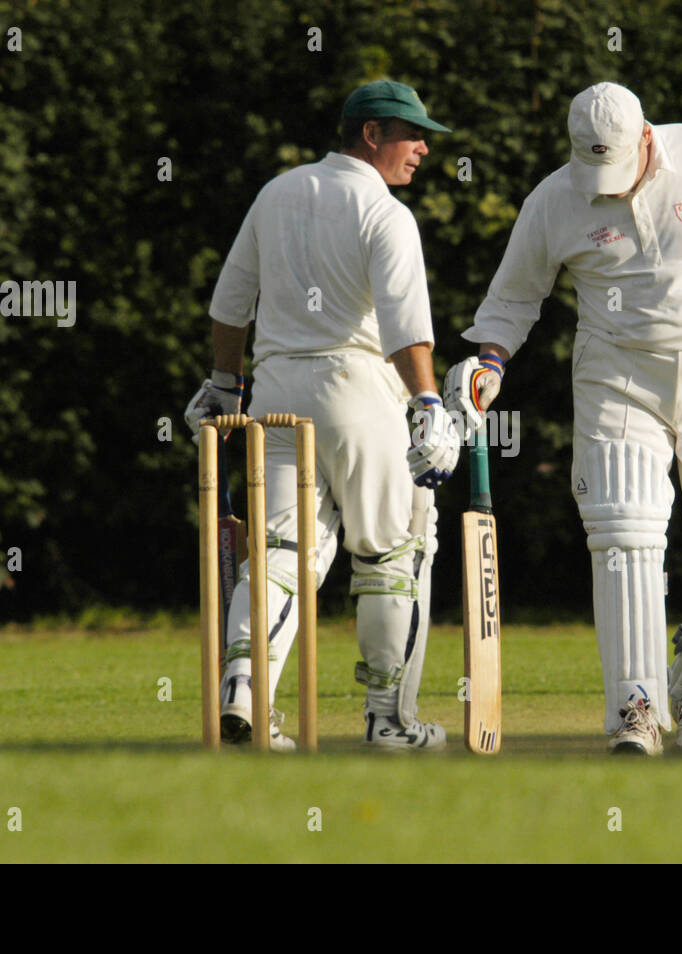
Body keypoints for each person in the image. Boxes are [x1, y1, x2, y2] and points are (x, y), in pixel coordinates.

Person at [445, 82, 682, 755]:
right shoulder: (555, 199)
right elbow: (513, 299)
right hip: (618, 378)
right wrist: (489, 364)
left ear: (647, 138)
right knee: (624, 528)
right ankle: (635, 707)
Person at [185, 80, 460, 751]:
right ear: (370, 134)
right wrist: (427, 404)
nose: (422, 148)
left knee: (280, 555)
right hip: (361, 394)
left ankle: (244, 693)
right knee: (390, 554)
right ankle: (388, 721)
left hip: (277, 399)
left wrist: (226, 386)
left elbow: (229, 307)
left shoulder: (277, 193)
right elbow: (405, 335)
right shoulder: (387, 214)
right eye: (410, 134)